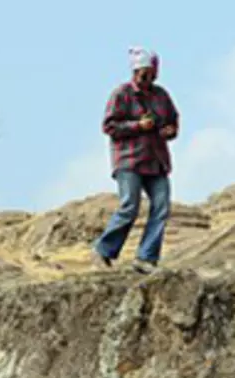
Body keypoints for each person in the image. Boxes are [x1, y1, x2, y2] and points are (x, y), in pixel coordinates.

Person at [92, 46, 180, 274]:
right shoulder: (121, 94)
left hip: (156, 159)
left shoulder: (161, 95)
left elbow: (173, 121)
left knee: (161, 207)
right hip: (129, 160)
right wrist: (137, 126)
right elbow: (109, 126)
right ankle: (103, 250)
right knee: (130, 206)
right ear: (135, 71)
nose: (147, 77)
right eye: (143, 73)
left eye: (151, 74)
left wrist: (168, 130)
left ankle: (146, 258)